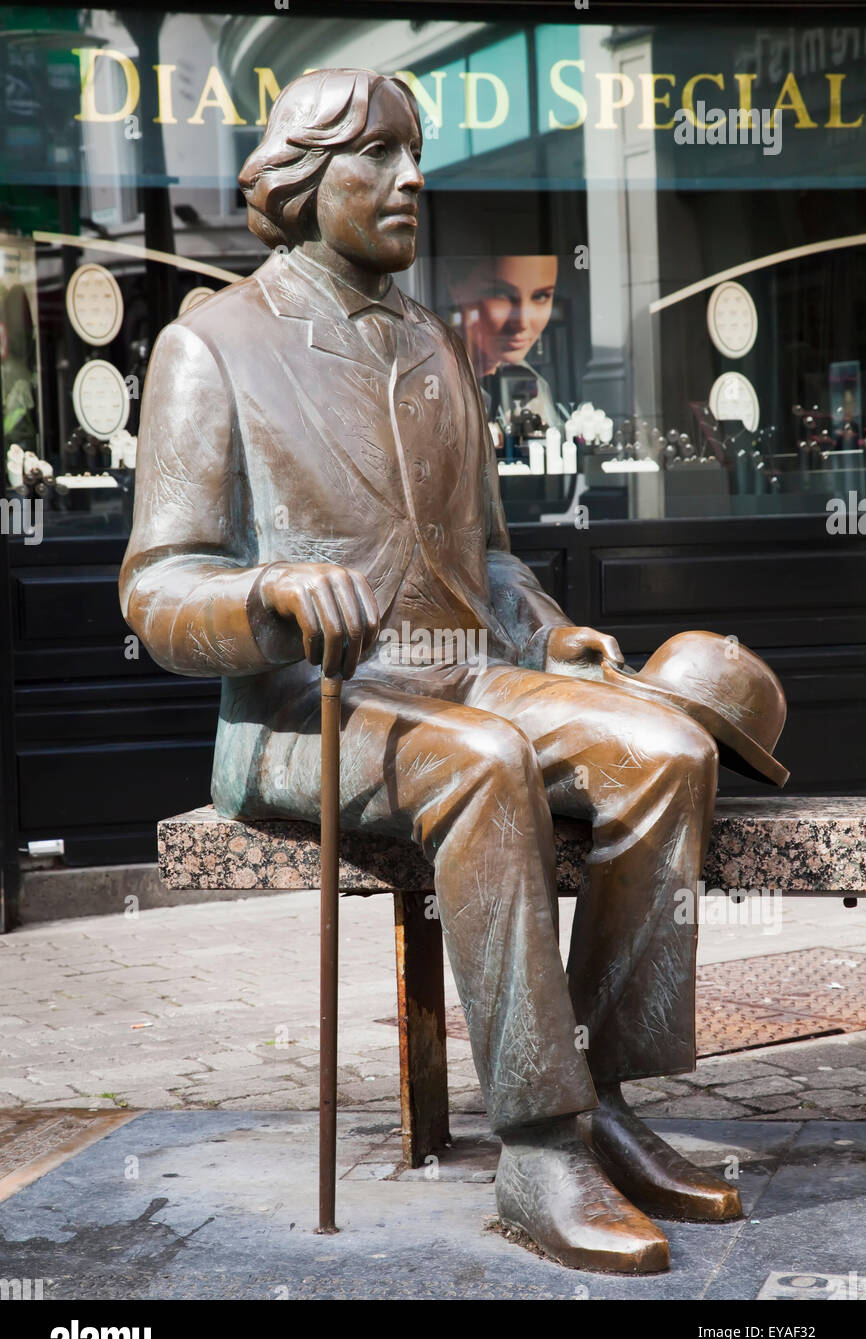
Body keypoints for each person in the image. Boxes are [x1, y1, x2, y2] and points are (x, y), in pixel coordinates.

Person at [120, 67, 745, 1274]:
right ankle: (538, 1142)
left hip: (461, 668)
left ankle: (605, 1096)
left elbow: (488, 563)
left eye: (417, 155)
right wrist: (263, 596)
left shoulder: (435, 346)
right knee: (482, 764)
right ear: (301, 186)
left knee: (663, 747)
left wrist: (545, 628)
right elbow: (155, 587)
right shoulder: (212, 348)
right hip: (307, 708)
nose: (413, 179)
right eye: (380, 156)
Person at [445, 255, 561, 428]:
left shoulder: (535, 384)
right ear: (456, 288)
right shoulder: (439, 380)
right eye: (499, 294)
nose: (522, 322)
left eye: (541, 296)